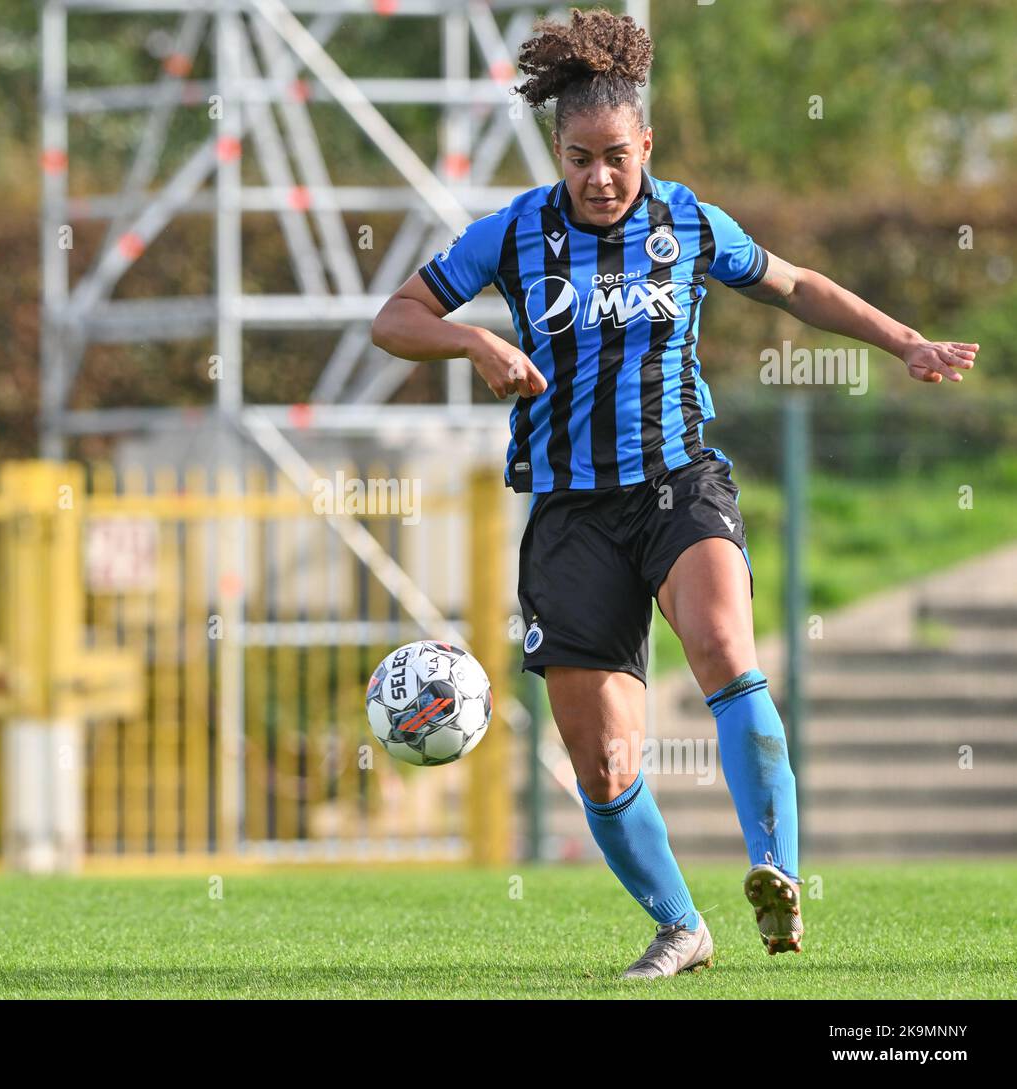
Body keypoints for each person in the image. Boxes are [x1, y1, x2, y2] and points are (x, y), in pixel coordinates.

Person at [371, 6, 978, 979]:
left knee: (726, 651)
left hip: (675, 483)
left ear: (644, 143)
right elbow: (394, 318)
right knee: (602, 765)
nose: (599, 177)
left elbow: (795, 284)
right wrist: (477, 339)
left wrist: (902, 339)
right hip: (568, 510)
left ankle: (776, 873)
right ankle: (680, 926)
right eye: (578, 158)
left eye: (616, 155)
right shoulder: (512, 233)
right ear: (555, 152)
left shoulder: (689, 221)